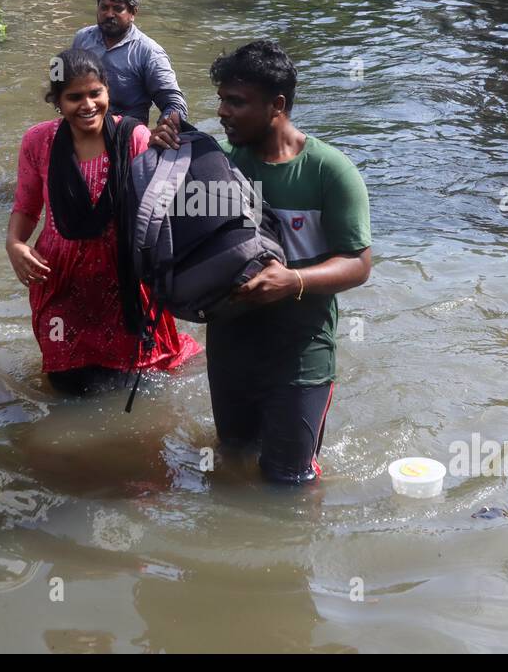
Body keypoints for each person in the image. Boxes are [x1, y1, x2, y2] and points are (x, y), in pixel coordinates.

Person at [150, 41, 372, 484]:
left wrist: (293, 281)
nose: (224, 112)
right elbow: (164, 229)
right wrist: (163, 155)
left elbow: (358, 264)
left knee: (289, 482)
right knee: (231, 461)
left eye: (237, 102)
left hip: (301, 355)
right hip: (231, 348)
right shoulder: (218, 166)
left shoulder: (329, 171)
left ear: (278, 105)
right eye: (221, 100)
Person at [7, 48, 200, 395]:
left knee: (133, 384)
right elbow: (26, 206)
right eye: (74, 97)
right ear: (56, 100)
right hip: (60, 280)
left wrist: (165, 158)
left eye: (96, 93)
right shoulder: (38, 142)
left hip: (123, 279)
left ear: (108, 91)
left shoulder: (135, 138)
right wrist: (15, 245)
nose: (88, 105)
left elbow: (163, 209)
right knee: (65, 383)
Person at [70, 0, 188, 128]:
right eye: (104, 7)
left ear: (133, 13)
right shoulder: (82, 38)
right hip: (83, 127)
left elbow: (174, 103)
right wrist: (58, 97)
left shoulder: (149, 53)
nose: (109, 14)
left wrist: (164, 130)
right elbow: (59, 69)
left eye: (118, 9)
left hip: (125, 135)